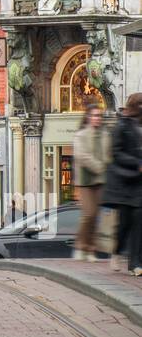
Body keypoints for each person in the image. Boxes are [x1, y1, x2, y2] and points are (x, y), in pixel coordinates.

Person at [103, 93, 142, 276]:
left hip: (139, 183)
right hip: (125, 181)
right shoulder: (121, 126)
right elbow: (116, 153)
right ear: (136, 106)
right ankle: (117, 251)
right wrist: (137, 163)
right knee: (124, 223)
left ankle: (136, 264)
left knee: (138, 222)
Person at [73, 102, 108, 262]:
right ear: (88, 117)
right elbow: (82, 156)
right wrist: (100, 166)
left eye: (99, 115)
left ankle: (91, 249)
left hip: (100, 180)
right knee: (89, 214)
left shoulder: (105, 135)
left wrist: (106, 167)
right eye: (94, 115)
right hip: (85, 180)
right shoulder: (80, 135)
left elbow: (109, 155)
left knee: (97, 216)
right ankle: (81, 246)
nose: (97, 118)